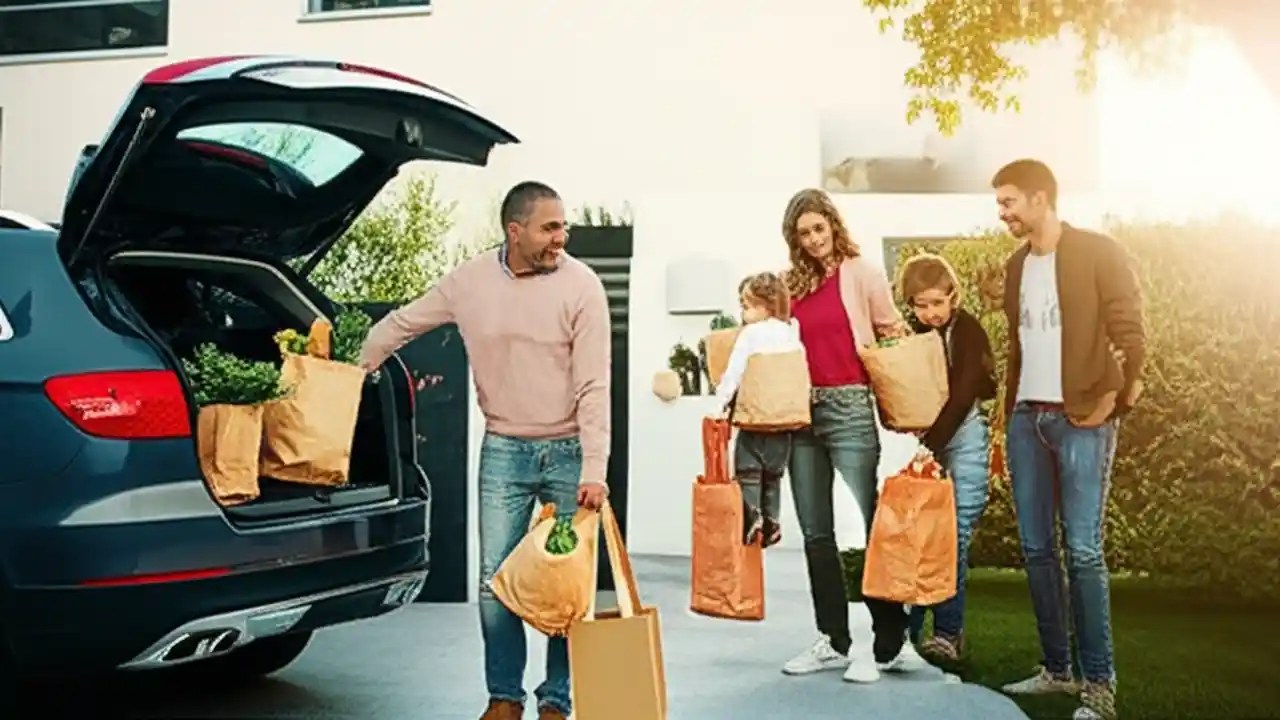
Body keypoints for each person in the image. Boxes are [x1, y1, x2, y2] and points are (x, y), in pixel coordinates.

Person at [357, 181, 612, 720]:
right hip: (504, 449)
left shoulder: (582, 286)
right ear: (513, 230)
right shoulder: (468, 282)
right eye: (549, 227)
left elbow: (595, 384)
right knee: (496, 581)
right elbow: (404, 323)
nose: (560, 238)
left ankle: (556, 700)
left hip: (569, 451)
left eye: (563, 226)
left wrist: (594, 466)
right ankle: (504, 697)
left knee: (568, 584)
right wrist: (349, 369)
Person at [991, 159, 1144, 720]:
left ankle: (1099, 685)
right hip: (1027, 419)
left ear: (1039, 198)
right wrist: (1006, 421)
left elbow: (1130, 329)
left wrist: (1113, 401)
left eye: (1009, 202)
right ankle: (1057, 669)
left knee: (1082, 551)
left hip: (1082, 417)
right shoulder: (1015, 265)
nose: (1002, 212)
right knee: (1035, 549)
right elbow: (1017, 346)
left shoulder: (1098, 252)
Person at [777, 188, 927, 684]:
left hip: (849, 405)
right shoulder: (788, 285)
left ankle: (892, 641)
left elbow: (890, 329)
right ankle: (834, 641)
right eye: (805, 233)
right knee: (816, 530)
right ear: (794, 239)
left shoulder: (862, 272)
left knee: (872, 524)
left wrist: (919, 379)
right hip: (801, 410)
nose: (815, 240)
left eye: (820, 228)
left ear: (833, 226)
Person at [897, 253, 997, 663]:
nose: (930, 312)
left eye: (937, 303)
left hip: (963, 434)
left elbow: (962, 395)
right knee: (922, 536)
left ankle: (947, 633)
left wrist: (929, 444)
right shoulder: (912, 336)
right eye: (921, 305)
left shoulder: (968, 330)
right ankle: (907, 631)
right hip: (929, 437)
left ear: (953, 296)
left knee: (952, 535)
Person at [713, 271, 804, 547]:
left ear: (766, 306)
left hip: (755, 420)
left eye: (747, 305)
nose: (743, 313)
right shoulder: (791, 331)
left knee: (748, 470)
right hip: (786, 420)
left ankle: (752, 516)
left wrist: (720, 406)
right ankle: (773, 520)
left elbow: (735, 373)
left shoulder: (751, 334)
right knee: (774, 475)